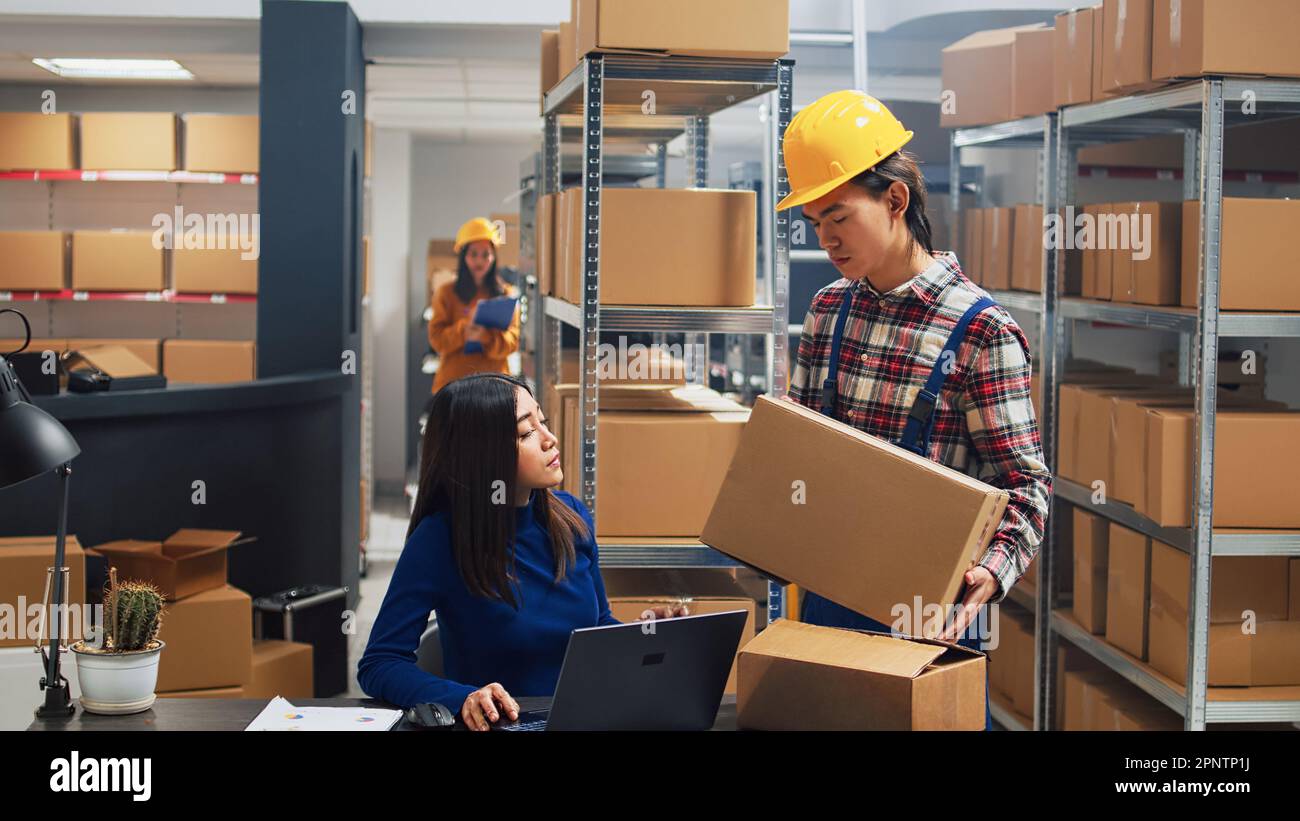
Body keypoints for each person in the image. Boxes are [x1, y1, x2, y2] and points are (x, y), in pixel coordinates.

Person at [778, 91, 1052, 728]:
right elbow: (801, 450)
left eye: (839, 216)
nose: (826, 239)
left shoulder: (982, 332)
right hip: (829, 598)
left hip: (931, 616)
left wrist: (994, 566)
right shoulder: (827, 311)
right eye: (816, 221)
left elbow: (1026, 486)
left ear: (895, 200)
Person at [357, 373, 685, 730]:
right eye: (527, 433)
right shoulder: (439, 539)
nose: (550, 439)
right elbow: (381, 662)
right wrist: (462, 697)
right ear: (483, 452)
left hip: (584, 719)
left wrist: (641, 636)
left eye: (543, 422)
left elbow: (597, 626)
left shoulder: (572, 517)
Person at [427, 217, 522, 395]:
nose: (480, 261)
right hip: (453, 387)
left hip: (494, 387)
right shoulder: (446, 293)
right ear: (463, 257)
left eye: (486, 254)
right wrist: (465, 329)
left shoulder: (506, 295)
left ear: (494, 257)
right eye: (473, 254)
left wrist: (486, 337)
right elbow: (437, 340)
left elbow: (513, 342)